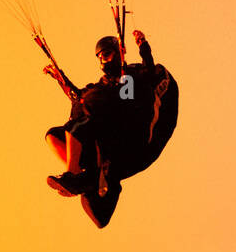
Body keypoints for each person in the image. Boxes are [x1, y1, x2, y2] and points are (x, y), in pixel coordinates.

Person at [44, 30, 178, 228]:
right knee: (53, 135)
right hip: (117, 144)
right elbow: (80, 96)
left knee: (81, 122)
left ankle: (74, 177)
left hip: (133, 134)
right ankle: (83, 176)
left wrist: (143, 47)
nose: (102, 60)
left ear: (118, 52)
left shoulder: (131, 75)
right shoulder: (104, 85)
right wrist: (60, 78)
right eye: (99, 57)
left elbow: (149, 73)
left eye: (106, 54)